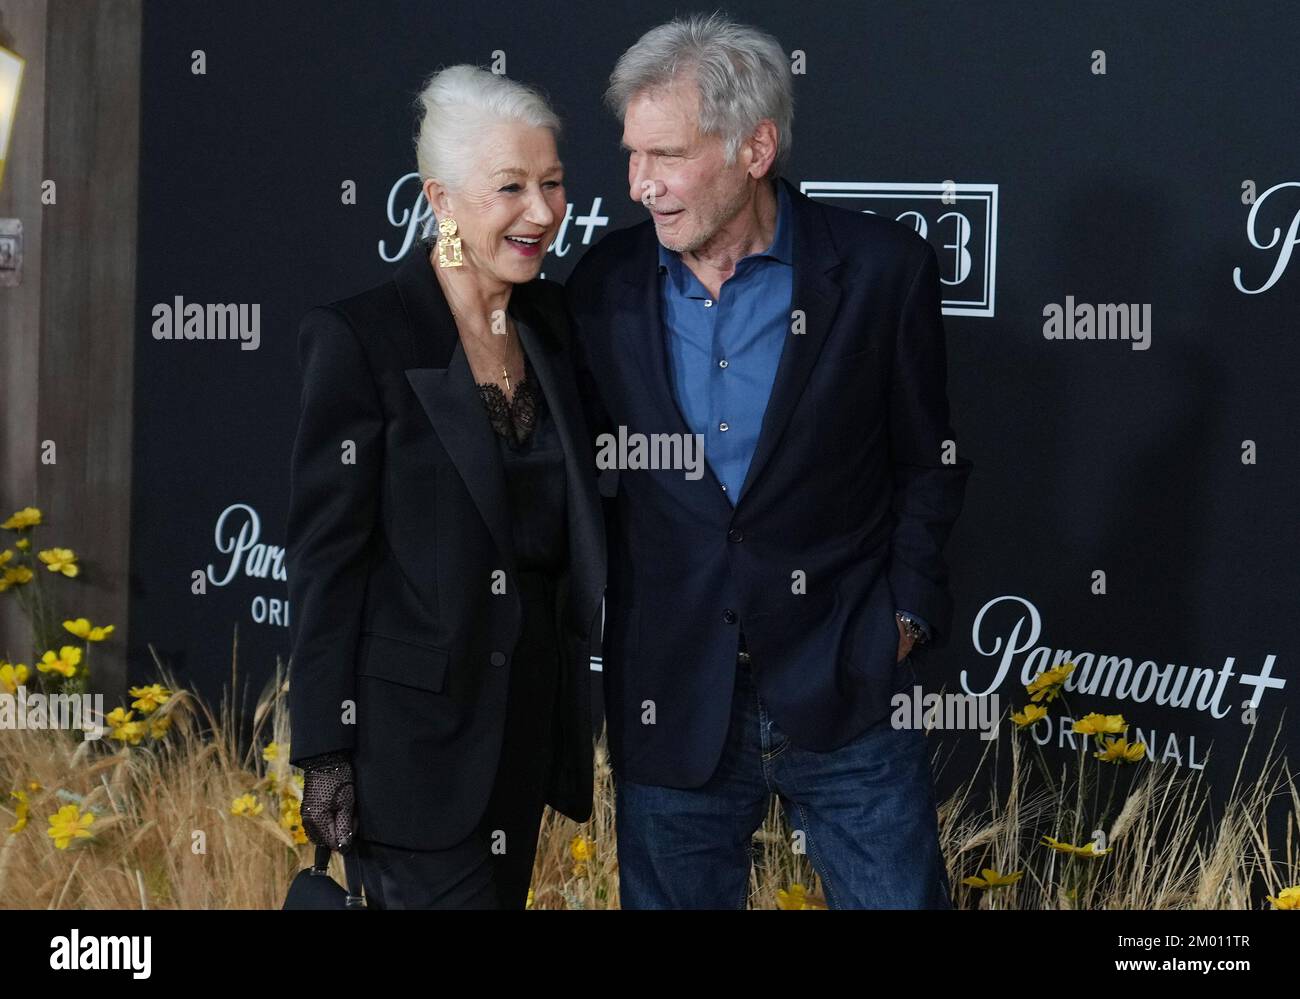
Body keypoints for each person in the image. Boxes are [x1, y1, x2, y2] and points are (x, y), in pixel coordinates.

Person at [565, 13, 973, 908]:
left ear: (756, 148)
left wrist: (903, 614)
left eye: (666, 155)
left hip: (848, 683)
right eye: (632, 155)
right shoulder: (601, 287)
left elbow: (929, 460)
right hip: (671, 696)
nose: (641, 185)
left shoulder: (878, 271)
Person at [285, 64, 605, 909]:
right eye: (511, 188)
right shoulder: (361, 337)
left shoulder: (552, 323)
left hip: (521, 740)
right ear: (441, 200)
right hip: (408, 754)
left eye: (553, 183)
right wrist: (323, 750)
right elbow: (327, 562)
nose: (541, 211)